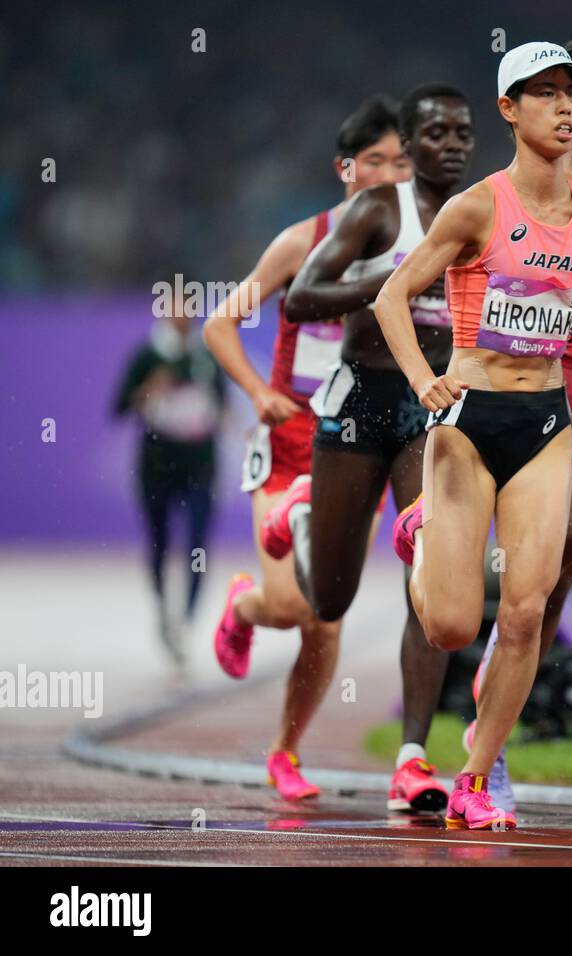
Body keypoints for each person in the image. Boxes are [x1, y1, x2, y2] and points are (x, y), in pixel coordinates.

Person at [376, 41, 572, 830]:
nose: (566, 108)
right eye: (544, 95)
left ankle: (475, 780)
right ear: (510, 110)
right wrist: (424, 379)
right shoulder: (478, 207)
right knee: (450, 623)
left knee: (524, 612)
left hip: (545, 426)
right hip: (469, 423)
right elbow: (391, 299)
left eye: (571, 95)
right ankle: (420, 529)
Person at [264, 83, 475, 815]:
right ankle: (298, 516)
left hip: (432, 408)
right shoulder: (380, 209)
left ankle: (413, 760)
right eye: (435, 132)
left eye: (462, 132)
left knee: (431, 570)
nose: (450, 143)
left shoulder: (484, 213)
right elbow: (300, 297)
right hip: (359, 402)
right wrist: (397, 276)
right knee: (331, 596)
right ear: (410, 146)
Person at [201, 96, 411, 799]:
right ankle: (246, 607)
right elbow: (219, 325)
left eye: (401, 161)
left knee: (326, 612)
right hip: (293, 436)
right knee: (289, 608)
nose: (388, 174)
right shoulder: (303, 241)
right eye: (374, 161)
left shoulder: (423, 243)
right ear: (345, 168)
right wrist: (259, 393)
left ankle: (285, 753)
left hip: (363, 437)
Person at [113, 292, 226, 670]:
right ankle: (164, 609)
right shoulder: (148, 354)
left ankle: (186, 621)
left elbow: (223, 406)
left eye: (191, 306)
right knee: (159, 540)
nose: (184, 314)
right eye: (177, 306)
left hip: (200, 465)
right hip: (157, 464)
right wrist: (148, 389)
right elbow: (117, 409)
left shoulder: (207, 353)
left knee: (197, 542)